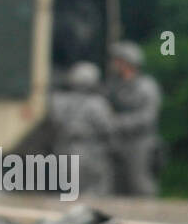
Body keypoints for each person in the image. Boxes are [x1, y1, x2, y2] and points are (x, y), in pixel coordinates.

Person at [49, 61, 114, 196]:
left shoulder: (57, 100)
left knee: (66, 191)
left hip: (62, 150)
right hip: (89, 152)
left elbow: (53, 123)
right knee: (95, 191)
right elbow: (107, 128)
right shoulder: (97, 103)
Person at [107, 41, 163, 196]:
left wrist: (119, 122)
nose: (115, 64)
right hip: (118, 141)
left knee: (139, 184)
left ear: (127, 63)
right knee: (116, 186)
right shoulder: (115, 86)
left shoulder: (146, 86)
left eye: (118, 61)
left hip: (140, 142)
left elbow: (148, 117)